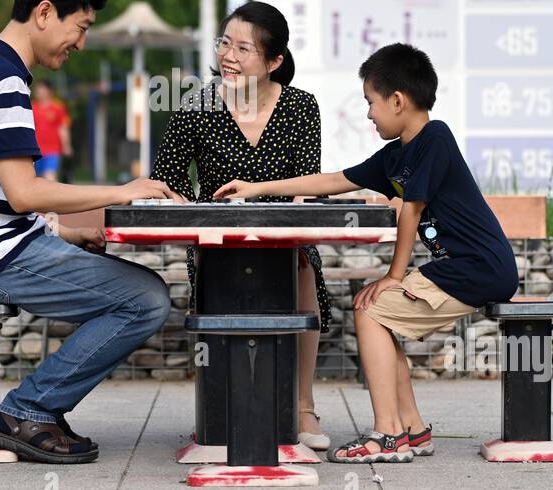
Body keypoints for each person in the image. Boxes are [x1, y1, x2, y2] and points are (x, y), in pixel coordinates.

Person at [0, 0, 179, 464]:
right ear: (44, 13)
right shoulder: (2, 79)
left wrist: (61, 232)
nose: (81, 43)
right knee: (145, 298)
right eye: (80, 27)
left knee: (138, 292)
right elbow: (25, 193)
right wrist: (121, 191)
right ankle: (28, 410)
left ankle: (34, 408)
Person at [215, 43, 518, 463]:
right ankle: (411, 428)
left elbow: (411, 209)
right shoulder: (396, 155)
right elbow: (334, 180)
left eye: (371, 102)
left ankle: (388, 435)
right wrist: (257, 188)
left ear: (398, 100)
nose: (369, 114)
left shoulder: (435, 138)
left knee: (371, 309)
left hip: (480, 268)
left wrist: (394, 276)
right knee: (377, 312)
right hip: (466, 267)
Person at [151, 1, 334, 451]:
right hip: (217, 240)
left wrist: (291, 228)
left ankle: (303, 405)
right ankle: (217, 408)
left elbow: (306, 185)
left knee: (303, 264)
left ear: (274, 61)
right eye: (224, 43)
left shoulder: (300, 106)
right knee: (218, 270)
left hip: (284, 239)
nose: (228, 57)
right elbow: (167, 181)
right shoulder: (197, 105)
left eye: (243, 49)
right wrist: (193, 216)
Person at [30, 80, 72, 181]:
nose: (38, 91)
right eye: (37, 89)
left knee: (50, 176)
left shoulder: (58, 107)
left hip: (53, 150)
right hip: (35, 150)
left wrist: (66, 145)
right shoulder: (31, 107)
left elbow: (63, 128)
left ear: (49, 91)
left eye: (41, 89)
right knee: (37, 178)